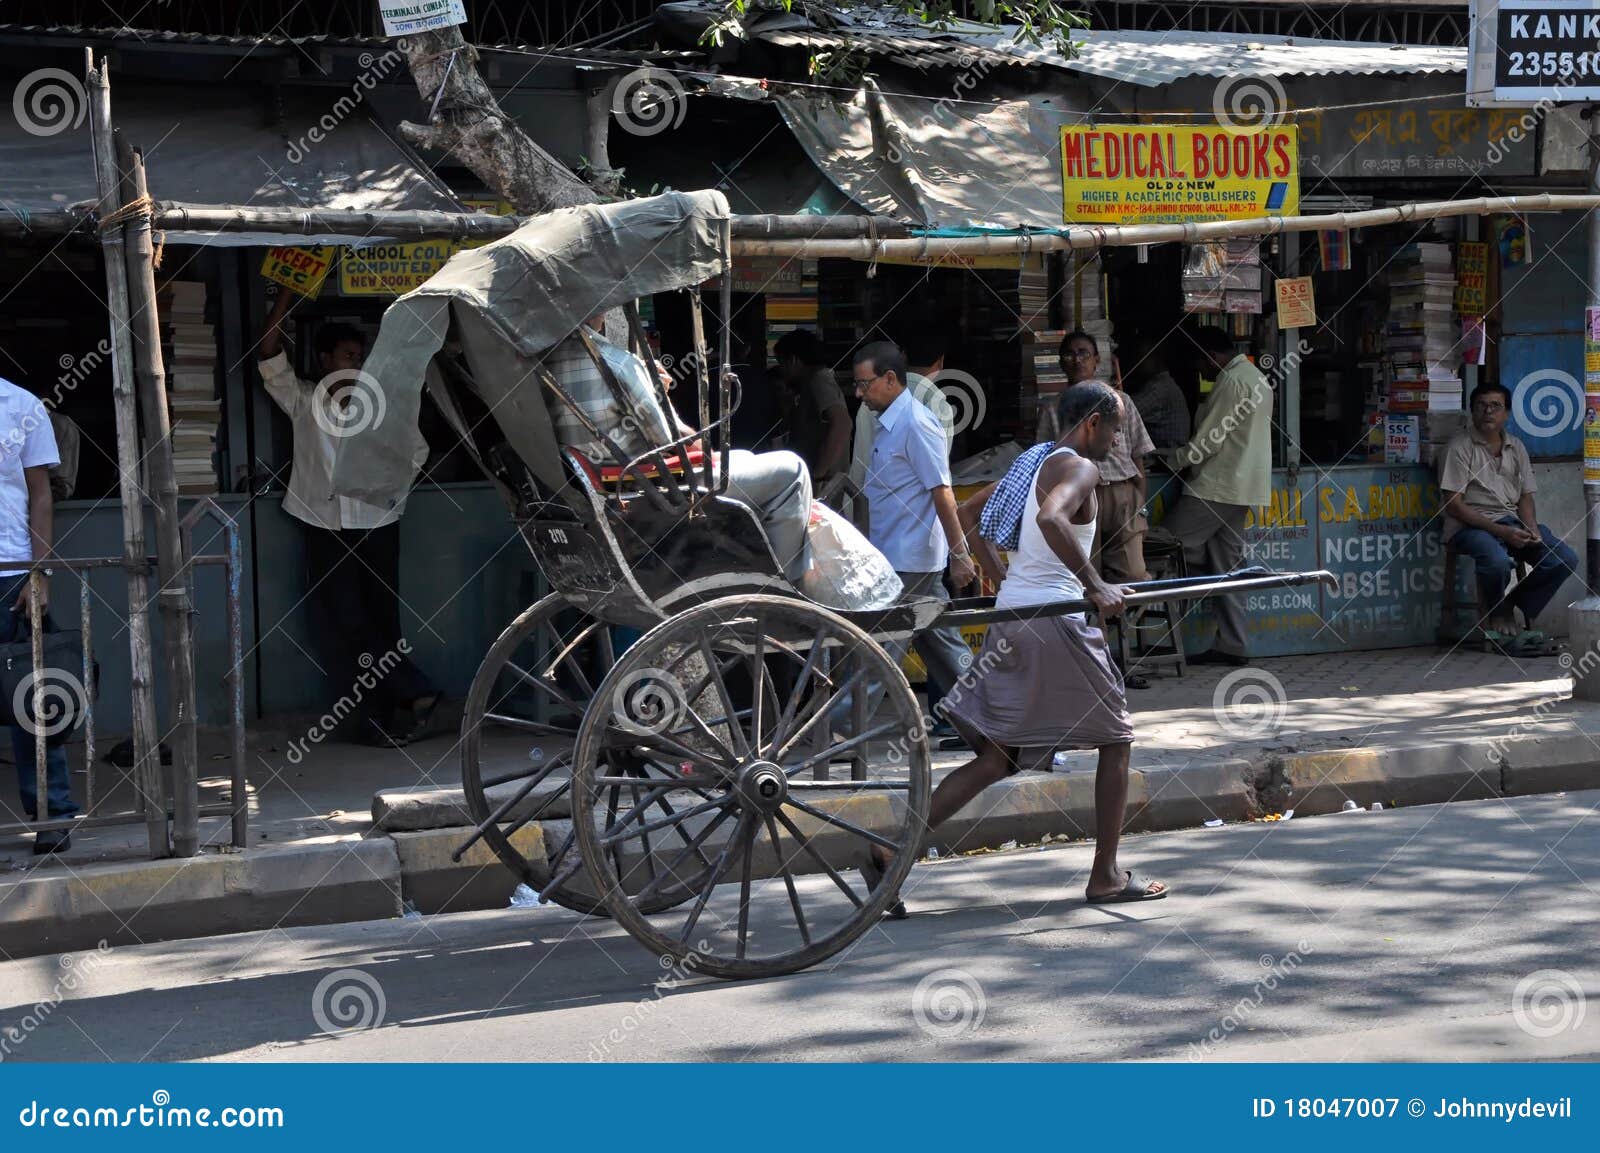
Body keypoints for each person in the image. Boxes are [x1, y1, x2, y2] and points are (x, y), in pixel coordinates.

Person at [866, 381, 1166, 915]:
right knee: (1116, 739)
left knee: (997, 759)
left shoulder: (1034, 461)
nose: (1118, 442)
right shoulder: (1080, 468)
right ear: (1093, 422)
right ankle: (1105, 876)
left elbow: (969, 514)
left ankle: (891, 852)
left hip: (1016, 615)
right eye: (1116, 429)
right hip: (1055, 621)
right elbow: (1052, 520)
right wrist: (1094, 585)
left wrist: (1001, 575)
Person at [257, 290, 439, 747]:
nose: (355, 363)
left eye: (360, 356)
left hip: (378, 524)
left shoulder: (383, 405)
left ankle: (388, 718)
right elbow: (269, 355)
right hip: (324, 525)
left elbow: (417, 451)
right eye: (347, 355)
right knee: (346, 621)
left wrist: (388, 490)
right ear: (323, 359)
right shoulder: (304, 399)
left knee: (381, 621)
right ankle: (411, 692)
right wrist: (281, 301)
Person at [546, 313, 813, 581]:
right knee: (793, 471)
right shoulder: (617, 363)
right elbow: (676, 441)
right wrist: (661, 397)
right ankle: (785, 585)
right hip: (651, 495)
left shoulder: (545, 371)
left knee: (742, 456)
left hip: (598, 489)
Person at [852, 341, 975, 717]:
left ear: (890, 379)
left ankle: (841, 731)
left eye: (865, 384)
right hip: (896, 555)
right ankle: (991, 717)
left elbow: (942, 494)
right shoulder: (887, 423)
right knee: (943, 648)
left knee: (878, 655)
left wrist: (960, 555)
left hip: (909, 560)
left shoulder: (917, 424)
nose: (859, 394)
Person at [1160, 326, 1274, 666]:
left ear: (1211, 356)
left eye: (1200, 363)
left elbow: (1209, 440)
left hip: (1216, 486)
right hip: (1241, 489)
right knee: (1229, 568)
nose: (1201, 372)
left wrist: (1174, 459)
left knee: (1162, 546)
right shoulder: (1255, 377)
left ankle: (1151, 641)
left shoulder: (1231, 381)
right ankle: (1233, 643)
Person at [1440, 381, 1579, 640]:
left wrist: (1531, 527)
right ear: (1472, 411)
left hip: (1510, 523)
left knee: (1563, 559)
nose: (1488, 412)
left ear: (1506, 413)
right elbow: (1454, 505)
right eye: (1481, 406)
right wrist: (1501, 532)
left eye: (1495, 406)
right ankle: (1497, 613)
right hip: (1469, 526)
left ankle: (1508, 605)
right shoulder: (1459, 448)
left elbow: (1526, 496)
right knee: (1497, 561)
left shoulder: (1516, 446)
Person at [0, 375, 73, 852]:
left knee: (33, 700)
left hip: (10, 571)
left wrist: (39, 572)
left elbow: (41, 494)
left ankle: (52, 814)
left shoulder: (22, 404)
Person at [1038, 332, 1153, 583]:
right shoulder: (1052, 408)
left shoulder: (1121, 402)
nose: (1077, 360)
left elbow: (1138, 457)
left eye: (1084, 354)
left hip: (1122, 495)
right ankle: (1096, 624)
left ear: (1097, 361)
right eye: (1069, 354)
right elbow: (1043, 460)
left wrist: (1140, 506)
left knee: (1133, 575)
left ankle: (1124, 623)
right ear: (1061, 363)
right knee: (1085, 577)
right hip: (1078, 497)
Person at [848, 327, 955, 525]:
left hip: (879, 522)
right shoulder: (939, 406)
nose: (859, 394)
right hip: (917, 525)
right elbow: (941, 482)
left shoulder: (870, 403)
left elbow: (860, 467)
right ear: (940, 362)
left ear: (903, 357)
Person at [772, 330, 849, 483]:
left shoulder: (819, 381)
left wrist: (818, 474)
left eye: (782, 363)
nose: (782, 371)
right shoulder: (806, 386)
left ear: (793, 360)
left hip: (821, 484)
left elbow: (843, 424)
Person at [1122, 333, 1191, 449]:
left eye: (1141, 358)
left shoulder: (1160, 389)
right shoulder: (1161, 384)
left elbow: (1123, 413)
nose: (1137, 364)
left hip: (1166, 458)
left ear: (1156, 359)